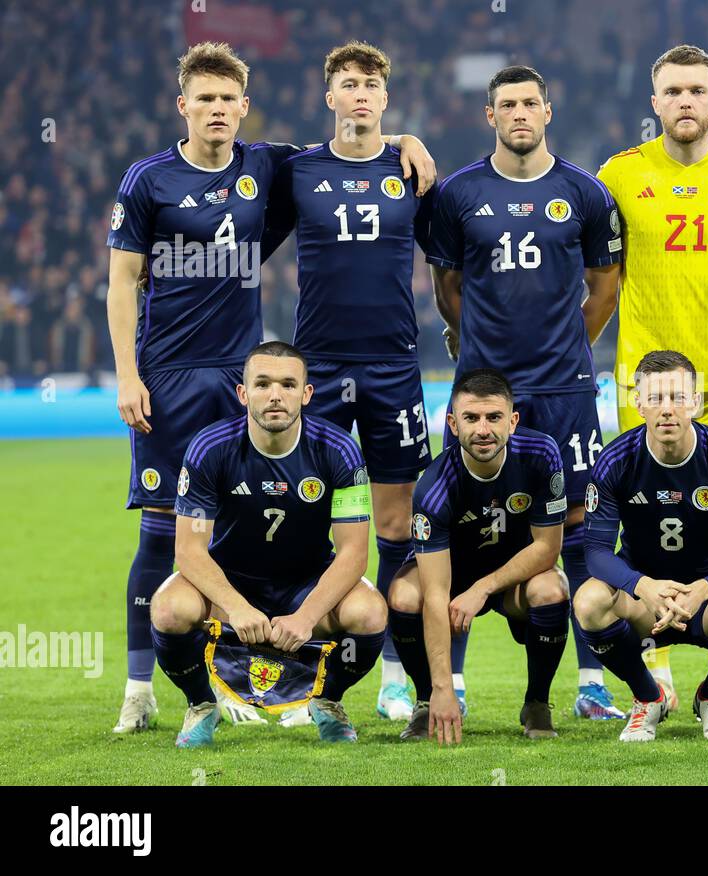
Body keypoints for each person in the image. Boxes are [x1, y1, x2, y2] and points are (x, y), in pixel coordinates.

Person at [105, 41, 432, 733]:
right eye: (205, 99)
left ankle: (256, 676)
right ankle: (140, 689)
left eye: (229, 100)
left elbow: (356, 135)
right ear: (183, 106)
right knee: (162, 531)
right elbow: (120, 284)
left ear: (244, 108)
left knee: (246, 526)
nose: (218, 110)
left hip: (239, 376)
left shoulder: (268, 165)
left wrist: (403, 136)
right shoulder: (148, 179)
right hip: (166, 375)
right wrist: (128, 376)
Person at [428, 65, 624, 721]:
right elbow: (448, 286)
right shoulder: (457, 195)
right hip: (483, 385)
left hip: (565, 387)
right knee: (458, 522)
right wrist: (476, 340)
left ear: (548, 111)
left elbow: (604, 283)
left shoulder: (585, 193)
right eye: (506, 104)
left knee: (576, 523)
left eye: (530, 103)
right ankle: (448, 687)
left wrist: (571, 344)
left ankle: (590, 682)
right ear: (490, 115)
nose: (519, 113)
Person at [596, 44, 708, 714]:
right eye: (673, 91)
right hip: (644, 381)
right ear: (654, 102)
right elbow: (597, 262)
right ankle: (658, 660)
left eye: (697, 90)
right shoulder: (618, 173)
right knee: (650, 519)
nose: (685, 102)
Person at [264, 41, 439, 725]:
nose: (360, 94)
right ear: (328, 95)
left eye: (371, 84)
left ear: (385, 98)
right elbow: (247, 228)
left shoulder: (411, 172)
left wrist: (409, 140)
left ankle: (396, 674)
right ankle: (303, 668)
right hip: (321, 367)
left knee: (396, 519)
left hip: (395, 366)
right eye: (348, 84)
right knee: (314, 518)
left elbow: (447, 262)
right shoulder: (298, 170)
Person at [150, 342, 387, 747]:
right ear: (243, 394)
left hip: (307, 584)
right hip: (231, 586)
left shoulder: (341, 450)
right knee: (169, 609)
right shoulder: (210, 448)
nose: (275, 395)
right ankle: (202, 706)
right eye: (262, 384)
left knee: (370, 613)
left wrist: (306, 617)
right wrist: (238, 608)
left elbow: (354, 554)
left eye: (288, 384)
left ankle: (326, 702)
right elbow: (188, 552)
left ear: (306, 394)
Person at [574, 350, 708, 741]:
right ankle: (647, 697)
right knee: (588, 601)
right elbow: (596, 551)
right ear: (638, 404)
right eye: (655, 398)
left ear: (696, 402)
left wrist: (703, 589)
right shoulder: (615, 461)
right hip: (643, 604)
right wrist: (644, 586)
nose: (667, 410)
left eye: (678, 397)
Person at [386, 368, 571, 743]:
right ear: (452, 424)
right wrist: (443, 688)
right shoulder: (435, 487)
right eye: (471, 418)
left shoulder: (541, 454)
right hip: (451, 578)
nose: (483, 429)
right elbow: (436, 592)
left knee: (552, 590)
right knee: (404, 596)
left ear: (513, 421)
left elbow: (548, 548)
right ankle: (425, 701)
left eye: (494, 417)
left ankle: (537, 702)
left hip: (512, 577)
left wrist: (483, 588)